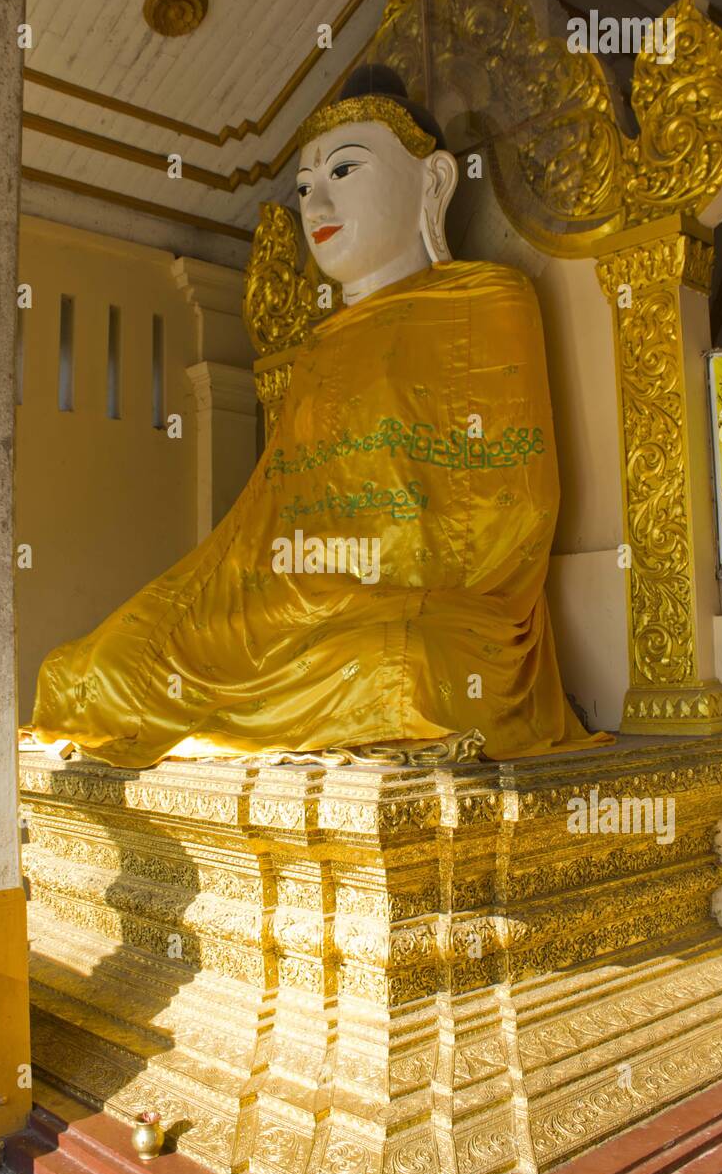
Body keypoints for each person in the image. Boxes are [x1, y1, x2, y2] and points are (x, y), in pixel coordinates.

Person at [32, 65, 603, 768]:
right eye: (303, 186)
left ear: (434, 183)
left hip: (420, 610)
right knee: (94, 668)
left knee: (407, 671)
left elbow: (519, 503)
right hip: (286, 603)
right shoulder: (316, 350)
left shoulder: (489, 299)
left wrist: (377, 567)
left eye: (344, 171)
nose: (316, 201)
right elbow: (261, 524)